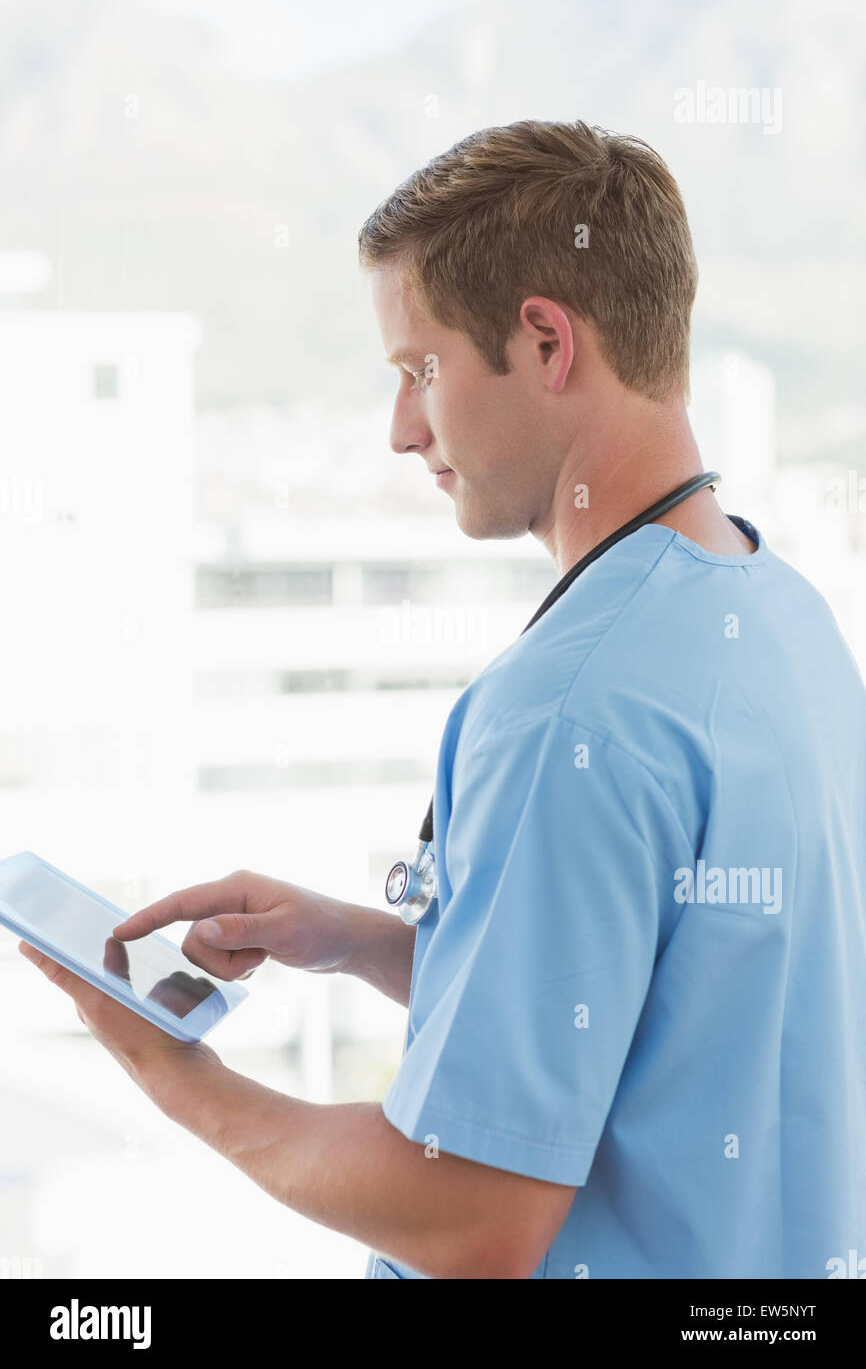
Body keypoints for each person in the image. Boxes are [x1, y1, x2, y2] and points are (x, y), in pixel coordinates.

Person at [22, 120, 866, 1279]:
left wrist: (178, 1080)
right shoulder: (783, 620)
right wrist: (365, 943)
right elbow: (681, 1011)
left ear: (543, 341)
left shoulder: (570, 707)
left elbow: (470, 1215)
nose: (401, 430)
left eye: (419, 370)